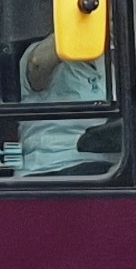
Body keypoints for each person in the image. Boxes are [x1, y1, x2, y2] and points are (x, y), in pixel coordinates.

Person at [17, 32, 116, 176]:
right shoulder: (39, 55)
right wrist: (81, 26)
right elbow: (37, 63)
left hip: (109, 167)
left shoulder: (111, 62)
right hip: (54, 169)